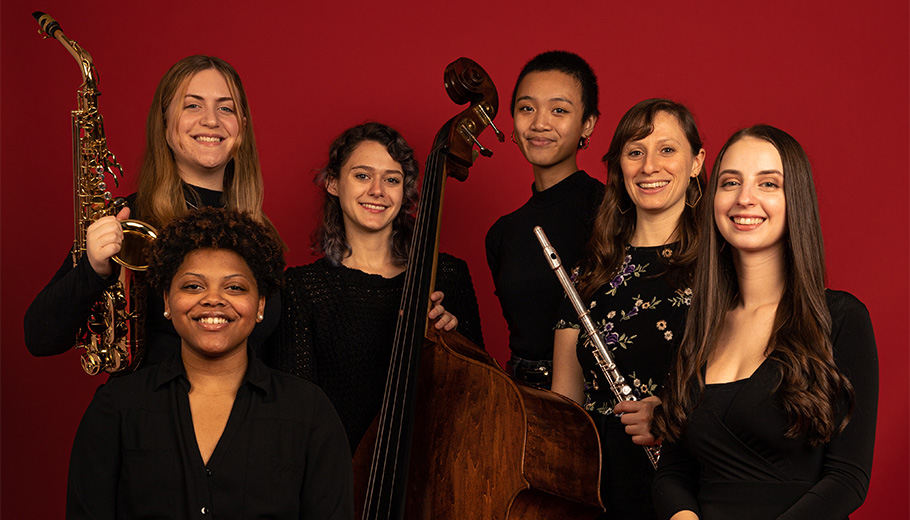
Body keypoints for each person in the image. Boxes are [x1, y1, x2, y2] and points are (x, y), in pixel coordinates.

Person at [66, 207, 354, 519]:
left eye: (235, 287)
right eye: (193, 286)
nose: (213, 299)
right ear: (167, 301)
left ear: (259, 305)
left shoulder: (308, 412)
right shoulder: (116, 408)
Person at [652, 126, 878, 519]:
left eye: (768, 183)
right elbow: (673, 469)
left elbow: (848, 479)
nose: (745, 198)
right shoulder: (696, 324)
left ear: (796, 201)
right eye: (730, 182)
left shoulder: (841, 318)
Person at [25, 55, 279, 366]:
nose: (211, 120)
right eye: (192, 105)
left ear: (241, 126)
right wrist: (94, 269)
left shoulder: (259, 230)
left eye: (226, 108)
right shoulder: (129, 220)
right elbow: (39, 338)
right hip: (147, 410)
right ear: (164, 121)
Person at [263, 122, 484, 453]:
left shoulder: (447, 276)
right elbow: (296, 417)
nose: (377, 190)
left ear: (404, 191)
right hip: (338, 479)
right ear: (334, 183)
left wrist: (452, 341)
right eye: (362, 175)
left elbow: (481, 396)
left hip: (435, 471)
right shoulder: (302, 289)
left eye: (392, 179)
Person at [550, 99, 706, 519]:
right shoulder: (587, 272)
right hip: (597, 486)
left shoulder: (720, 270)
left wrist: (671, 415)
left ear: (697, 161)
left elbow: (745, 398)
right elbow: (564, 405)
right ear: (620, 167)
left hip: (687, 483)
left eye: (667, 150)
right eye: (635, 152)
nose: (649, 166)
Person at [485, 50, 604, 389]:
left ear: (588, 123)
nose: (539, 123)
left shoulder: (614, 211)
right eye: (527, 108)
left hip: (600, 403)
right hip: (523, 404)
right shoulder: (502, 234)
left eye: (559, 110)